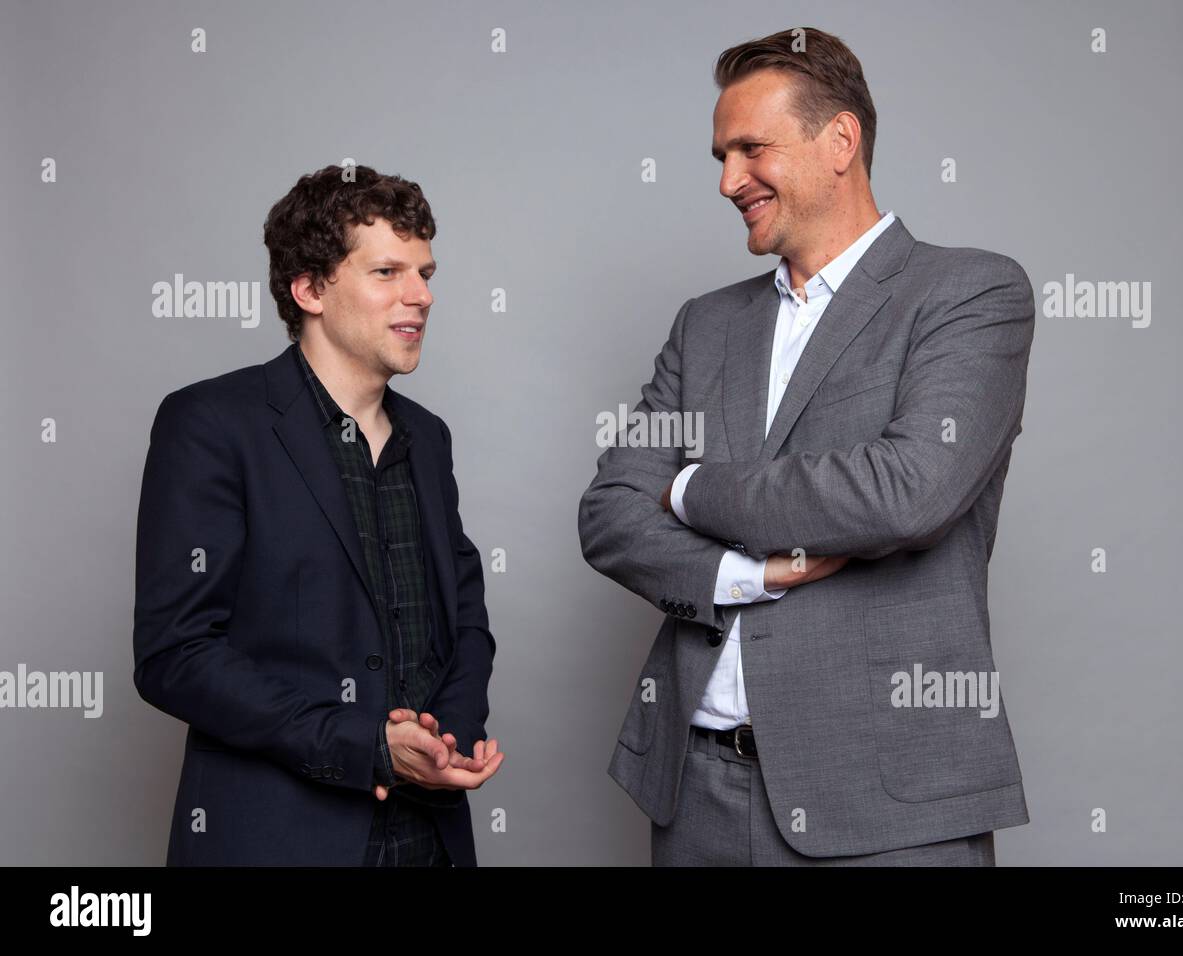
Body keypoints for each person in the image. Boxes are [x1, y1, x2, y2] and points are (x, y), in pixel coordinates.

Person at [578, 28, 1034, 865]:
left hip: (888, 808)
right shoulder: (706, 323)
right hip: (695, 795)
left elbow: (909, 489)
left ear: (840, 140)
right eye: (720, 155)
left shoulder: (970, 293)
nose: (727, 181)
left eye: (752, 149)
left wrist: (686, 491)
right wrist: (744, 572)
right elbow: (608, 513)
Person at [133, 164, 503, 866]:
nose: (421, 296)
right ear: (310, 290)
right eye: (388, 272)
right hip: (276, 840)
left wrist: (444, 737)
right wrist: (362, 745)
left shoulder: (428, 437)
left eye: (425, 273)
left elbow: (467, 622)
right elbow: (174, 656)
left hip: (430, 836)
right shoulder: (210, 424)